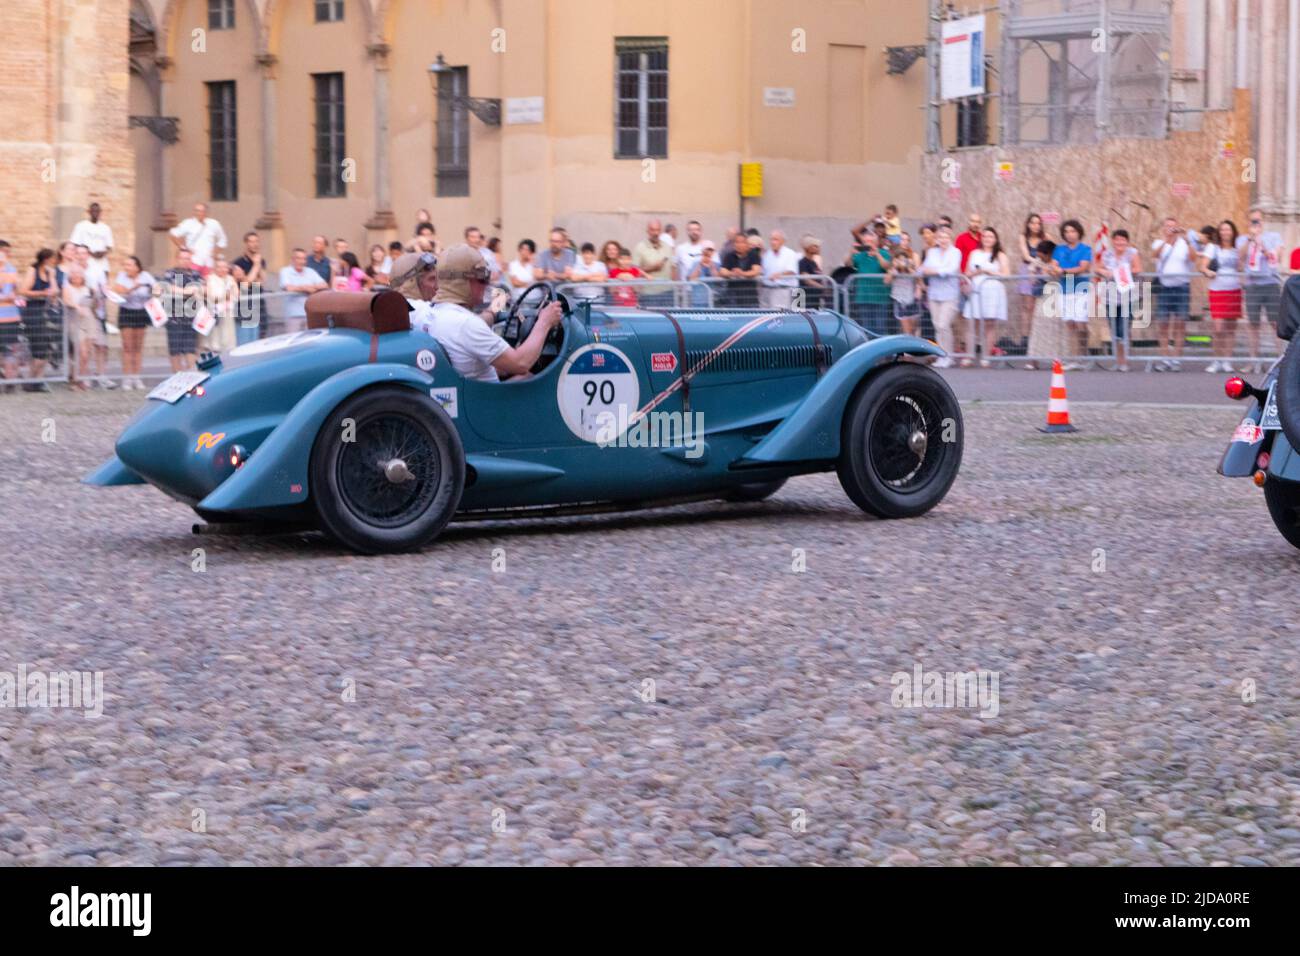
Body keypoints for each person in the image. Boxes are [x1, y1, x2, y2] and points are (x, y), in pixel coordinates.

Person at [407, 244, 562, 383]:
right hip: (490, 405)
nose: (487, 284)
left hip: (464, 394)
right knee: (529, 376)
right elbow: (520, 363)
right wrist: (544, 322)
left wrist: (493, 310)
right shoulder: (466, 324)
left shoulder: (430, 312)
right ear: (462, 283)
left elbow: (469, 329)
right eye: (482, 278)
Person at [1239, 211, 1283, 371]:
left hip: (1270, 283)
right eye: (1252, 221)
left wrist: (1261, 243)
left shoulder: (1274, 237)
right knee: (1252, 324)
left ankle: (1281, 361)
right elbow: (1241, 257)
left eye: (1258, 220)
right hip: (1252, 285)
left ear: (1263, 221)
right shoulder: (1243, 239)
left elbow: (1277, 257)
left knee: (1276, 323)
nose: (1255, 224)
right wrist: (1251, 240)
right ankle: (1253, 361)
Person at [1150, 217, 1194, 372]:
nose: (1170, 229)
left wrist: (1186, 239)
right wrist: (1166, 240)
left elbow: (1193, 258)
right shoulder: (1158, 243)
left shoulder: (1184, 244)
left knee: (1180, 324)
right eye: (1167, 226)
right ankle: (1164, 358)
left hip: (1182, 287)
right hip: (1164, 287)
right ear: (1163, 228)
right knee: (1163, 324)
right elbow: (1155, 255)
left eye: (1173, 227)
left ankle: (1176, 359)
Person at [1095, 229, 1141, 372]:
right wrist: (1105, 272)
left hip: (1128, 297)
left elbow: (1138, 268)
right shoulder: (1107, 254)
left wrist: (1120, 272)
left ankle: (1125, 360)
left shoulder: (1132, 253)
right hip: (1111, 297)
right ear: (1113, 241)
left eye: (1123, 240)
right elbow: (1098, 268)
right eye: (1117, 239)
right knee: (1114, 329)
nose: (1120, 242)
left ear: (1127, 241)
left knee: (1125, 329)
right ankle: (1118, 360)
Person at [1199, 220, 1243, 373]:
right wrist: (1208, 271)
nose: (1225, 232)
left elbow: (1242, 266)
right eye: (1223, 230)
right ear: (1219, 232)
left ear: (1233, 232)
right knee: (1218, 328)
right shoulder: (1213, 247)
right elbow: (1203, 266)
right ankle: (1216, 360)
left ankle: (1227, 361)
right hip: (1217, 290)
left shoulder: (1237, 249)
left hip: (1234, 289)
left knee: (1231, 327)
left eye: (1228, 230)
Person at [12, 248, 59, 390]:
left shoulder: (50, 272)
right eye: (52, 258)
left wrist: (51, 278)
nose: (54, 260)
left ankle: (33, 380)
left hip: (45, 311)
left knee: (45, 348)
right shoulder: (33, 270)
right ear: (46, 259)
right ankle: (32, 380)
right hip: (32, 311)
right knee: (39, 348)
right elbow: (23, 291)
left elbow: (55, 291)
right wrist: (42, 293)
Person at [963, 227, 1010, 367]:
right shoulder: (974, 253)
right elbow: (967, 272)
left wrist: (989, 271)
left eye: (991, 236)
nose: (987, 239)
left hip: (993, 291)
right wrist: (976, 273)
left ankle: (986, 356)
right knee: (972, 323)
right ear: (981, 239)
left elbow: (1006, 274)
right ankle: (969, 356)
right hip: (976, 290)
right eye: (985, 236)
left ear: (995, 239)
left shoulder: (1000, 255)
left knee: (989, 325)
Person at [1049, 220, 1093, 369]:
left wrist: (1064, 271)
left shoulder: (1085, 249)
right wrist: (1054, 269)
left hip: (1080, 290)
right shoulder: (1059, 250)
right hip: (1065, 290)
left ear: (1079, 232)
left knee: (1081, 323)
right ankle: (1073, 357)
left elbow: (1083, 267)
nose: (1070, 234)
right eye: (1067, 231)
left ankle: (1083, 354)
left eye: (1073, 231)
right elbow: (1054, 265)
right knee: (1070, 323)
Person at [110, 255, 155, 390]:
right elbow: (119, 290)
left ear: (137, 267)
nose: (126, 268)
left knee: (138, 347)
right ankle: (127, 378)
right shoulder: (121, 276)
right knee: (127, 347)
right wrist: (134, 287)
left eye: (129, 265)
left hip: (141, 311)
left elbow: (157, 288)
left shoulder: (145, 275)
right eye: (125, 265)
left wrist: (152, 291)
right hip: (127, 311)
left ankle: (136, 377)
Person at [921, 226, 963, 368]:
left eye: (946, 237)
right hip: (934, 294)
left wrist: (934, 271)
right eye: (940, 237)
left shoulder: (956, 252)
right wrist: (933, 271)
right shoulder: (932, 252)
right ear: (937, 239)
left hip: (950, 294)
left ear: (950, 238)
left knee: (943, 324)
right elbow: (923, 269)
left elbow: (950, 270)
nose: (943, 240)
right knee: (937, 326)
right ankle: (941, 355)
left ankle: (948, 356)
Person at [1025, 240, 1067, 368]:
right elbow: (1031, 273)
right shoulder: (1038, 261)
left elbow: (1060, 275)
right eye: (1039, 255)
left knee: (1057, 328)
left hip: (1056, 295)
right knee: (1038, 326)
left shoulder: (1058, 260)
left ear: (1049, 253)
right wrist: (1036, 275)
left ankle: (1058, 360)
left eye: (1043, 255)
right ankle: (1033, 359)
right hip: (1042, 296)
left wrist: (1048, 272)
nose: (1040, 258)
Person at [849, 227, 892, 333]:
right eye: (866, 241)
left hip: (880, 297)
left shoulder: (884, 253)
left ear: (876, 242)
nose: (869, 243)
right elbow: (848, 264)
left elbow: (887, 266)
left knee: (880, 327)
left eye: (871, 241)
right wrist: (851, 253)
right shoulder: (860, 255)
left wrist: (877, 254)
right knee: (866, 328)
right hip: (863, 297)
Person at [277, 248, 328, 334]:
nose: (301, 261)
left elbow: (324, 285)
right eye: (298, 258)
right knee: (292, 342)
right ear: (292, 259)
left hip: (309, 315)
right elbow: (288, 288)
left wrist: (311, 286)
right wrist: (306, 288)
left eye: (303, 258)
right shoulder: (285, 271)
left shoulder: (310, 271)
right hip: (293, 315)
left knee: (309, 341)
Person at [231, 231, 268, 343]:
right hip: (245, 305)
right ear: (246, 244)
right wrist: (256, 266)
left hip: (258, 302)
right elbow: (246, 284)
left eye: (256, 241)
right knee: (245, 340)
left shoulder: (260, 260)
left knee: (259, 337)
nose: (254, 244)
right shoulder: (238, 263)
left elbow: (263, 280)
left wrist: (257, 264)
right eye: (251, 241)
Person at [1016, 214, 1046, 350]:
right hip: (1027, 270)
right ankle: (1025, 338)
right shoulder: (1023, 237)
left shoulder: (1045, 237)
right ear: (1028, 224)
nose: (1035, 226)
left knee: (1037, 307)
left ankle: (1037, 339)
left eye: (1038, 223)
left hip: (1041, 272)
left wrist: (1042, 264)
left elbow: (1051, 253)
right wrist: (1035, 262)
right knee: (1026, 307)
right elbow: (1025, 255)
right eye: (1033, 223)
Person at [168, 202, 227, 273]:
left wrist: (215, 252)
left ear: (206, 212)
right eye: (196, 211)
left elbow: (223, 240)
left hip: (208, 261)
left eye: (201, 211)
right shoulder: (188, 223)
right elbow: (172, 234)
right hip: (193, 260)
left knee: (204, 282)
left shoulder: (214, 223)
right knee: (184, 280)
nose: (198, 213)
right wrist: (183, 248)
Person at [69, 202, 114, 291]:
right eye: (93, 211)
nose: (95, 213)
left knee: (102, 287)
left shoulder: (105, 228)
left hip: (102, 262)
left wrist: (103, 252)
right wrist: (89, 252)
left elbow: (109, 246)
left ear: (100, 212)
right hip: (86, 262)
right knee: (88, 286)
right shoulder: (81, 226)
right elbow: (75, 243)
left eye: (97, 211)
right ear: (89, 212)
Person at [0, 241, 26, 391]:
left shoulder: (12, 269)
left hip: (10, 317)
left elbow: (20, 290)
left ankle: (10, 380)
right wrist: (6, 298)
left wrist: (16, 293)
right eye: (4, 251)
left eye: (8, 251)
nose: (7, 254)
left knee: (10, 349)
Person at [632, 218, 675, 306]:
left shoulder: (667, 246)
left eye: (658, 230)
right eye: (652, 230)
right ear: (647, 231)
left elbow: (673, 267)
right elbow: (634, 271)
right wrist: (652, 268)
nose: (655, 233)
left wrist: (674, 285)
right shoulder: (639, 247)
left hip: (668, 293)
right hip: (649, 295)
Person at [886, 232, 922, 337]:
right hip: (900, 298)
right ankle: (908, 350)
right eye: (902, 239)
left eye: (907, 240)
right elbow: (887, 280)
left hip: (912, 297)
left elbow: (918, 277)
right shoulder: (894, 258)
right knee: (906, 328)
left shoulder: (914, 256)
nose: (904, 242)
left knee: (914, 327)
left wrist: (910, 269)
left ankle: (913, 347)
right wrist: (894, 270)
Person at [204, 255, 239, 352]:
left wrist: (230, 297)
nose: (222, 269)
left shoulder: (230, 279)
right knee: (216, 340)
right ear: (215, 268)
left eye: (224, 267)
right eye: (219, 267)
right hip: (215, 313)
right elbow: (211, 295)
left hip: (228, 313)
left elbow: (236, 294)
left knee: (228, 338)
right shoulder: (210, 279)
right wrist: (225, 296)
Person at [720, 231, 762, 307]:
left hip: (750, 296)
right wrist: (732, 273)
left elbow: (756, 271)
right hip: (732, 297)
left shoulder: (754, 255)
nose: (738, 245)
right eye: (736, 242)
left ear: (747, 244)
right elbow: (722, 271)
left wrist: (741, 273)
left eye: (741, 242)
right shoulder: (729, 256)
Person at [761, 229, 800, 308]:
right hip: (767, 289)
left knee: (780, 315)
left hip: (783, 290)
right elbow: (763, 271)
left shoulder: (790, 253)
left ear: (782, 241)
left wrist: (779, 275)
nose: (773, 242)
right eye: (771, 239)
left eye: (776, 239)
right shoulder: (767, 254)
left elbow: (792, 271)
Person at [797, 236, 830, 311]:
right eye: (815, 246)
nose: (818, 248)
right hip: (805, 301)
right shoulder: (802, 262)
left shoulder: (814, 263)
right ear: (808, 248)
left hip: (814, 300)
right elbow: (807, 280)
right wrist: (823, 287)